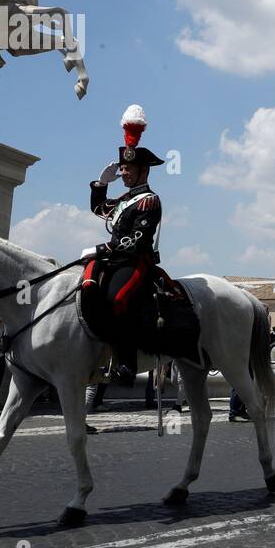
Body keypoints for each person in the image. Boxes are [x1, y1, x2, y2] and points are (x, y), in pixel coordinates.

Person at [89, 104, 164, 389]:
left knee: (118, 298)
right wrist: (101, 184)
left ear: (143, 170)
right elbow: (99, 209)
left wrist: (109, 248)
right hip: (114, 258)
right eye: (122, 168)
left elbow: (137, 238)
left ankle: (126, 362)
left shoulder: (149, 201)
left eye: (128, 168)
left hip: (135, 260)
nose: (124, 172)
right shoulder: (123, 199)